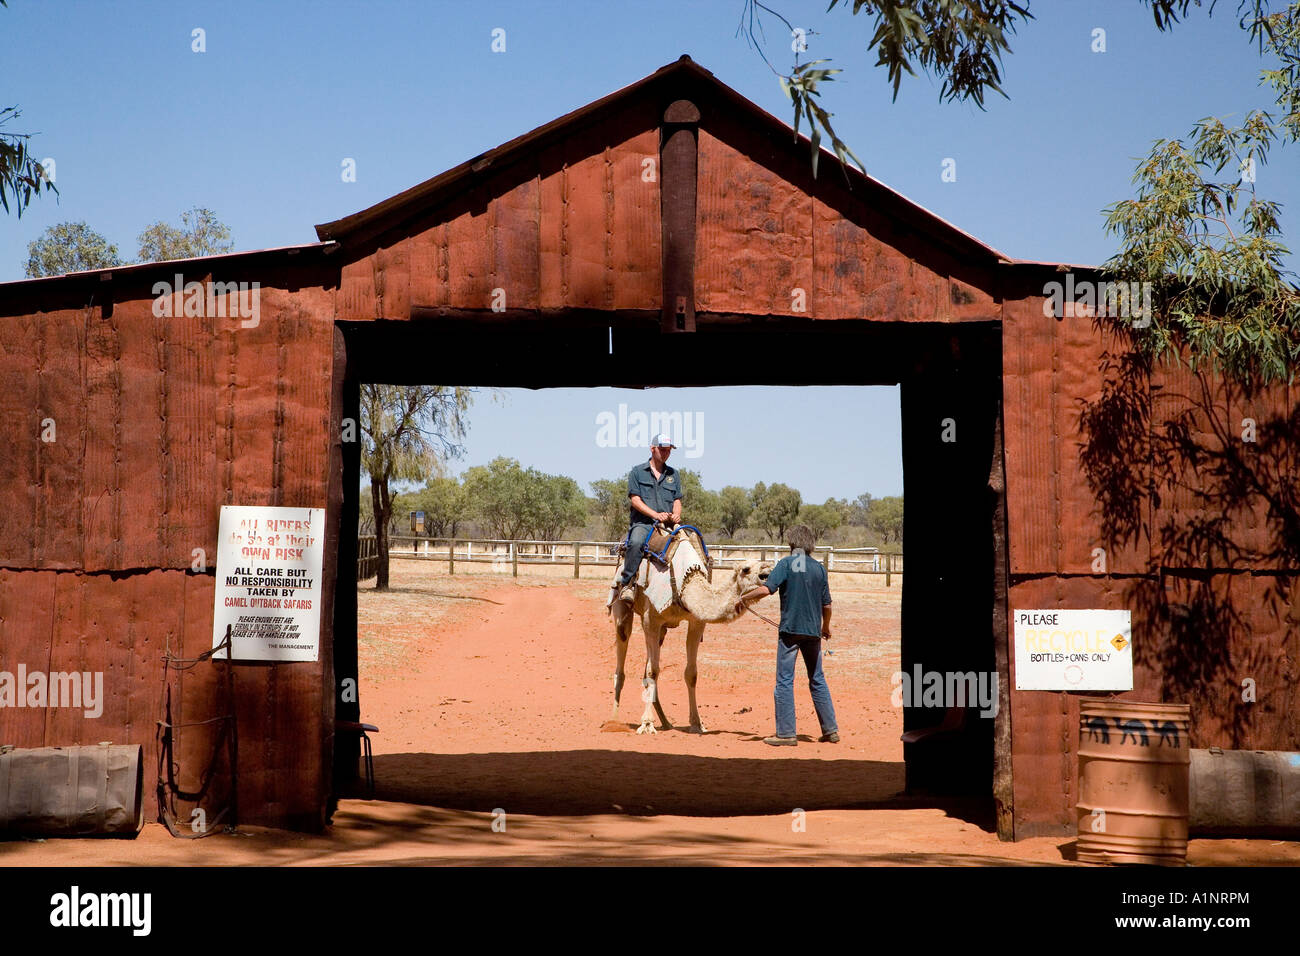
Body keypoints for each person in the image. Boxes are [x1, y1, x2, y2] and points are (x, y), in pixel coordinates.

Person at [736, 524, 838, 746]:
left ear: (792, 543)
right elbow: (827, 605)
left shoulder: (786, 564)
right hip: (813, 633)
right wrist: (826, 627)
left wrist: (743, 598)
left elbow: (766, 589)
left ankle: (786, 734)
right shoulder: (819, 569)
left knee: (784, 681)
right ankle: (830, 730)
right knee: (817, 678)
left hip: (790, 633)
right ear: (810, 544)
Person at [605, 433, 683, 607]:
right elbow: (635, 500)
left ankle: (687, 590)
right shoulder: (638, 472)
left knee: (689, 542)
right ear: (652, 448)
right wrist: (655, 515)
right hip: (644, 523)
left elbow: (677, 500)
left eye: (668, 450)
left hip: (669, 523)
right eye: (662, 449)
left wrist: (676, 514)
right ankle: (627, 584)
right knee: (636, 542)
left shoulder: (673, 474)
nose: (665, 453)